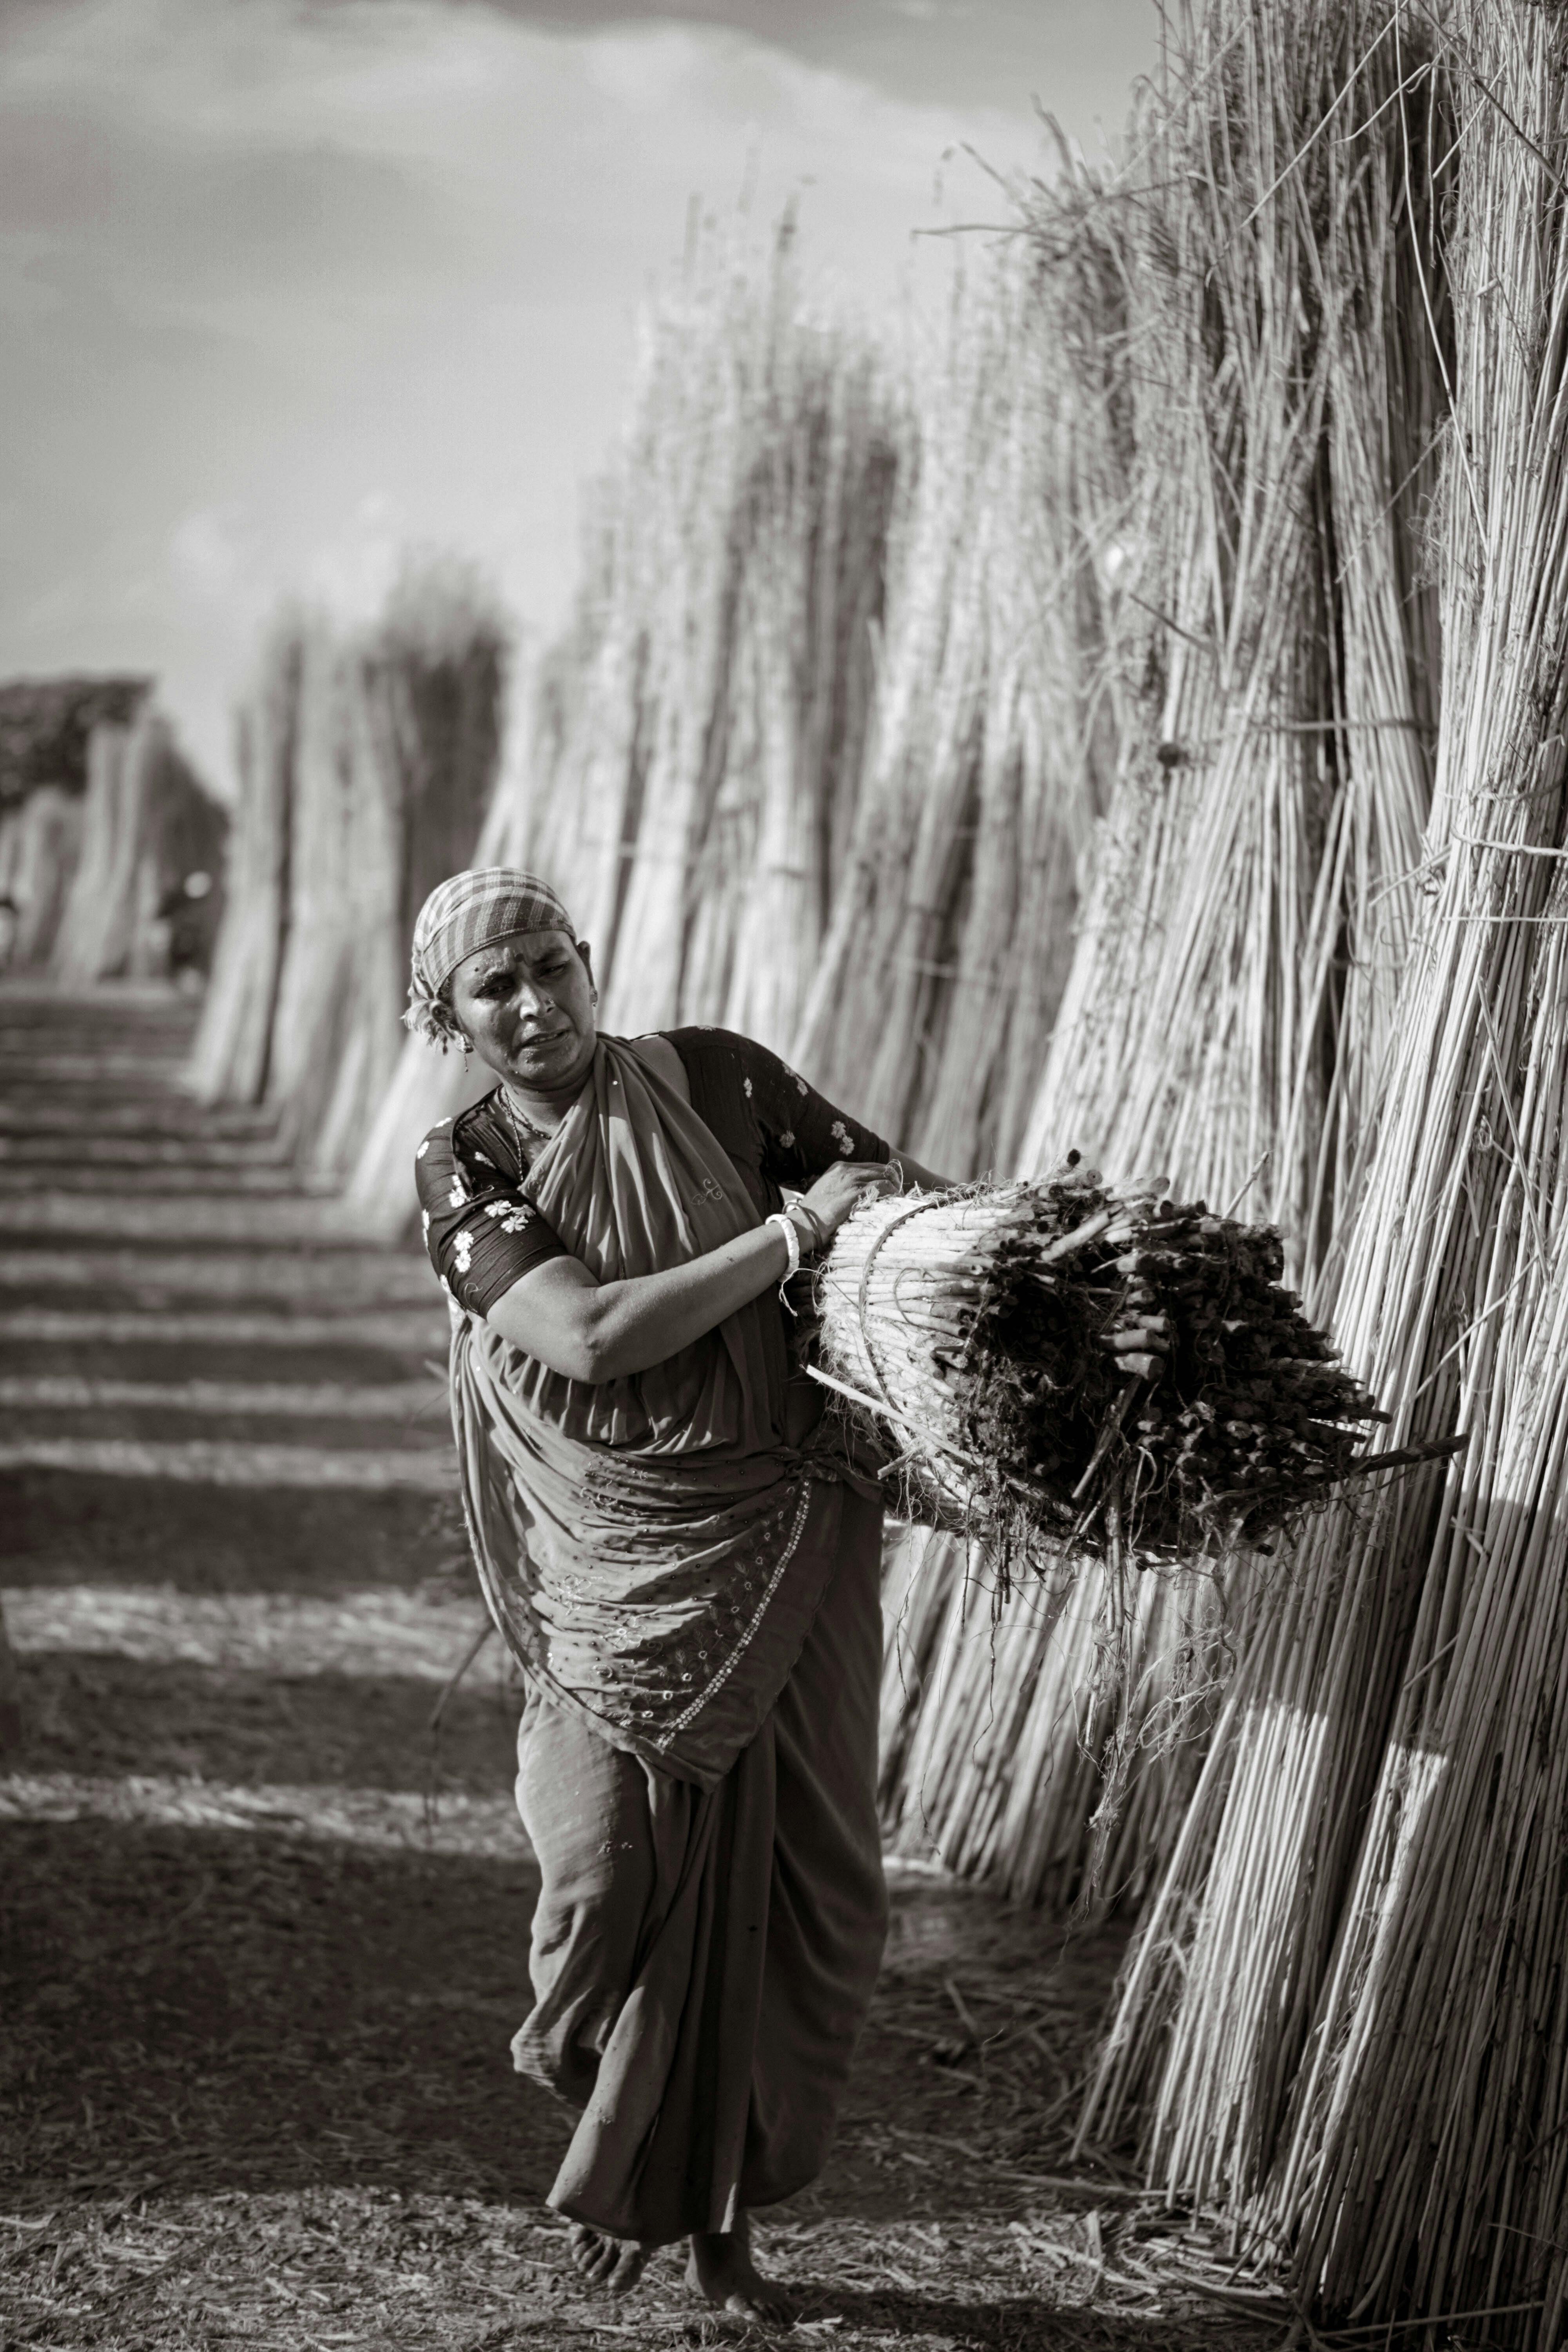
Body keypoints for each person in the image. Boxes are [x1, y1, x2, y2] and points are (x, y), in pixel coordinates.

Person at [408, 868, 956, 2321]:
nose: (535, 1005)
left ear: (589, 963)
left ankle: (714, 2223)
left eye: (551, 967)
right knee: (602, 1867)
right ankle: (626, 2105)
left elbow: (890, 1202)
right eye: (494, 989)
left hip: (785, 1521)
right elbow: (584, 1338)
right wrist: (788, 1240)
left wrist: (906, 1242)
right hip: (613, 1553)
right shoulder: (460, 1170)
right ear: (447, 1018)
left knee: (782, 1880)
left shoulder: (721, 1079)